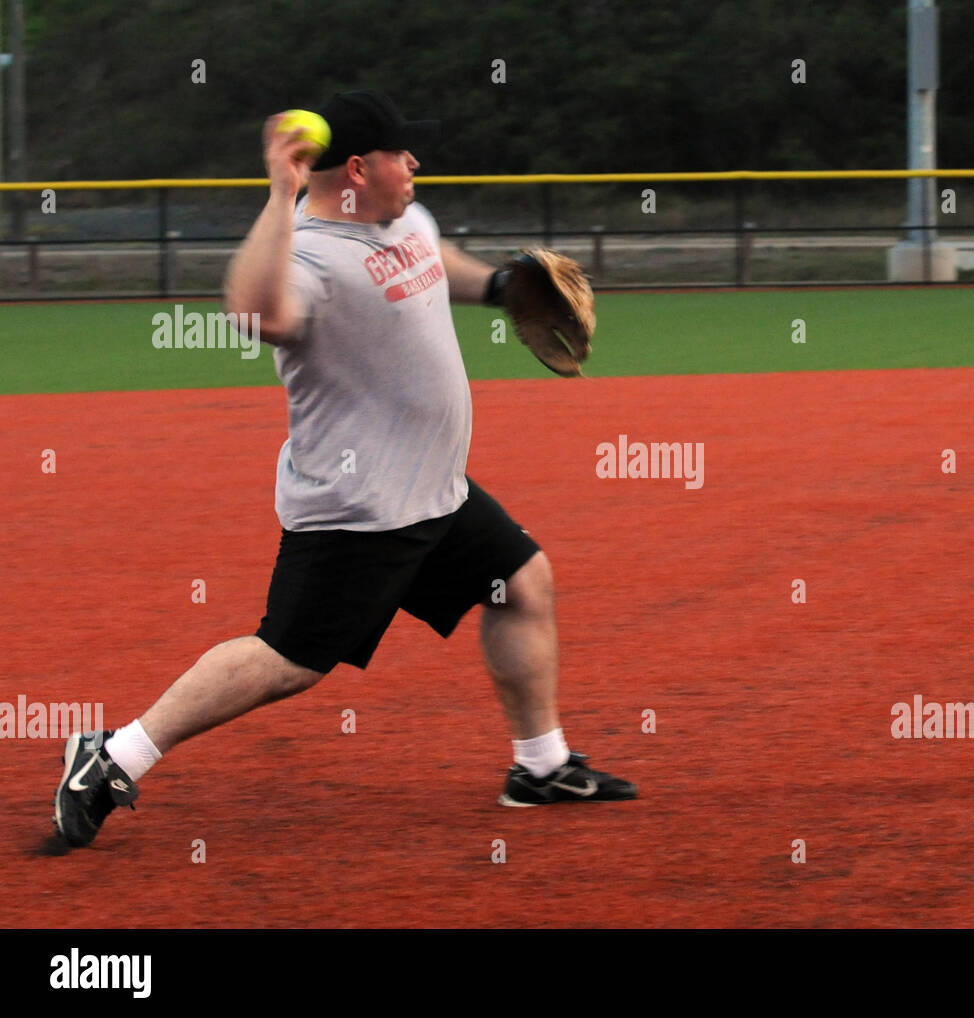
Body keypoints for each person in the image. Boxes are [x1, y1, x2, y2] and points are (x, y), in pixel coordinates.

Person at [52, 90, 636, 848]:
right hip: (359, 509)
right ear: (359, 168)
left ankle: (539, 766)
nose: (416, 163)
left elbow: (434, 261)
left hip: (434, 495)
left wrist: (497, 287)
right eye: (402, 152)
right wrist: (280, 192)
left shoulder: (406, 219)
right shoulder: (309, 256)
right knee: (289, 660)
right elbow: (257, 313)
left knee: (522, 581)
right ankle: (112, 754)